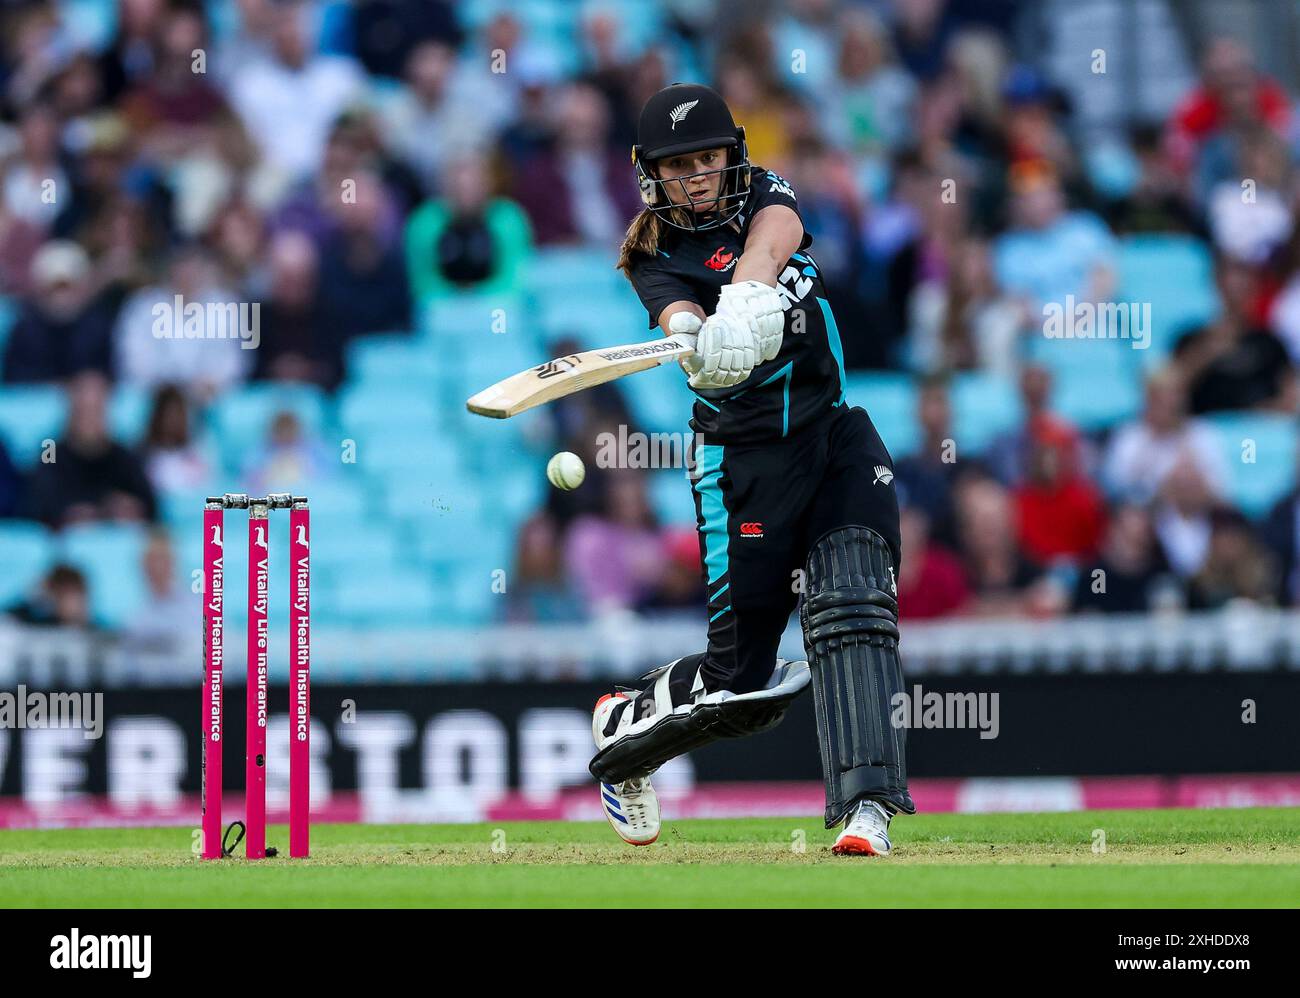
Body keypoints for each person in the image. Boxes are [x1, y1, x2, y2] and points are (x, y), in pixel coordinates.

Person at [587, 83, 913, 856]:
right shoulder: (654, 259)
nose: (697, 176)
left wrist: (748, 295)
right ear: (652, 176)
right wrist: (706, 341)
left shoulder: (764, 193)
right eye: (678, 166)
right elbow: (680, 326)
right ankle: (624, 730)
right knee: (742, 683)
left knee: (857, 602)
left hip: (835, 438)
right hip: (742, 468)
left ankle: (868, 809)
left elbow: (775, 236)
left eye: (708, 159)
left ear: (731, 156)